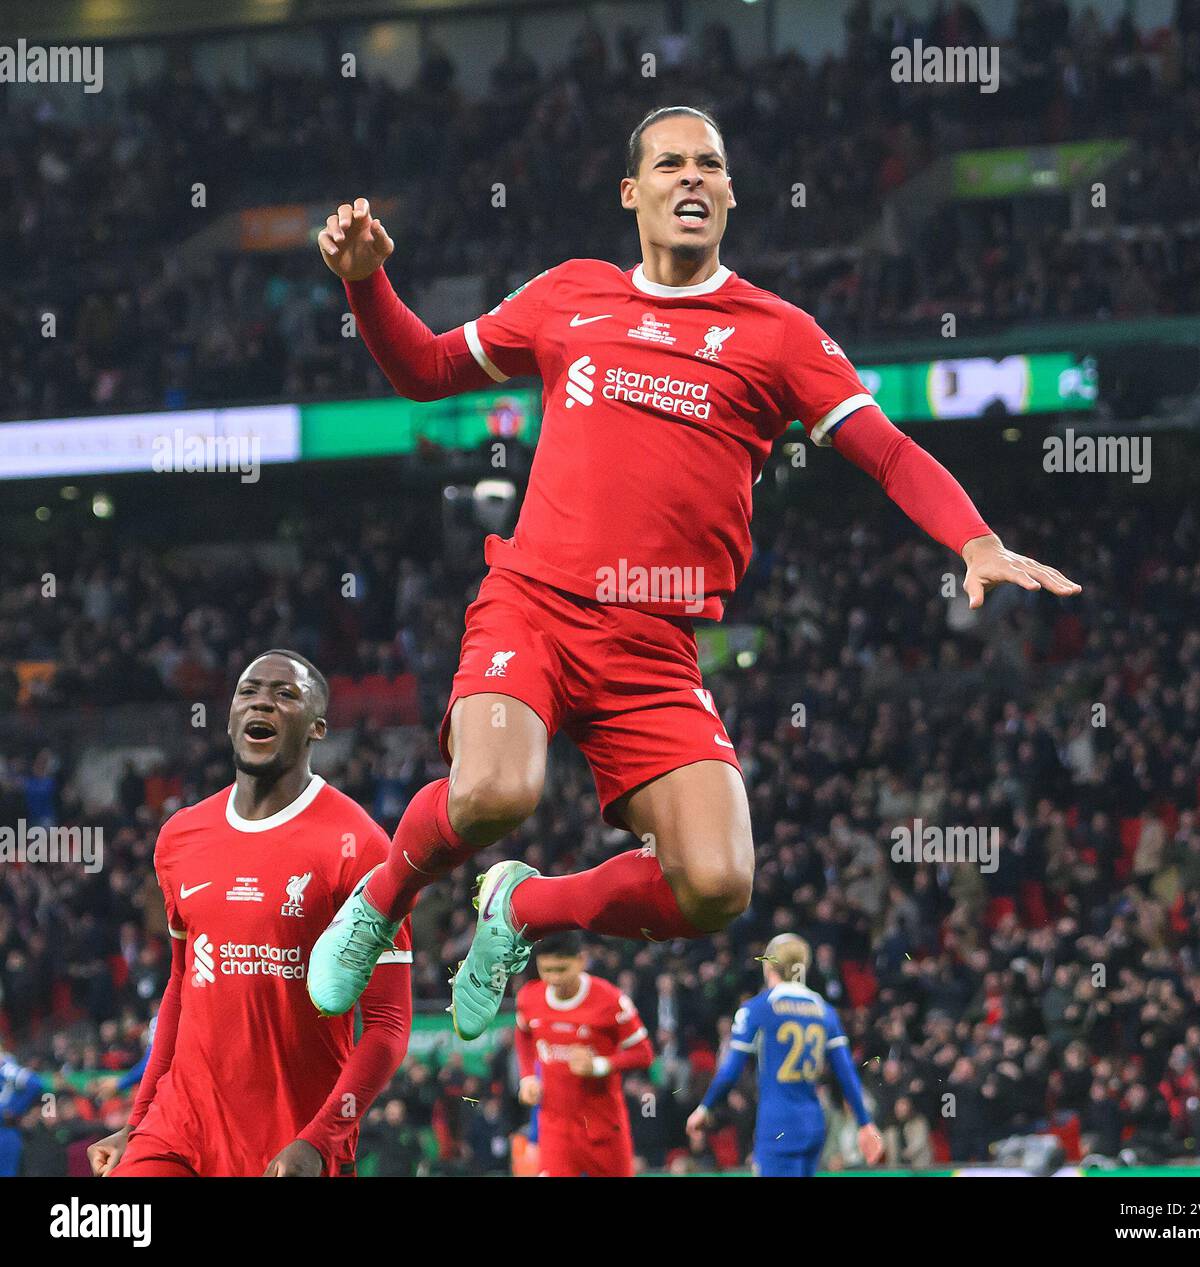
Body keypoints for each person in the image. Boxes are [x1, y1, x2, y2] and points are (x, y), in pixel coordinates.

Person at [307, 105, 1081, 1038]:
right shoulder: (570, 295)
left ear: (728, 194)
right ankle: (383, 897)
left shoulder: (777, 334)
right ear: (632, 193)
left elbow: (888, 451)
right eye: (669, 164)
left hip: (654, 641)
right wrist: (365, 284)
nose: (691, 179)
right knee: (493, 792)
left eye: (708, 166)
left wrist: (976, 541)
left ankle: (523, 909)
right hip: (536, 607)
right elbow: (426, 368)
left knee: (716, 885)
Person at [86, 650, 412, 1177]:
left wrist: (321, 1139)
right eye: (249, 690)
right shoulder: (180, 837)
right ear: (232, 715)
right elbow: (180, 984)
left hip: (290, 1140)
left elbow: (388, 1024)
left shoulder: (362, 847)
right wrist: (137, 1123)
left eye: (286, 694)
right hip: (180, 1126)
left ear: (317, 728)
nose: (263, 700)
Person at [687, 934, 884, 1176]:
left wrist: (705, 1107)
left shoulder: (757, 1009)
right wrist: (865, 1123)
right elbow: (845, 1073)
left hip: (778, 1124)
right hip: (813, 1122)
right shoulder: (825, 1010)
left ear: (768, 965)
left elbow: (730, 1071)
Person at [514, 933, 653, 1176]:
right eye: (546, 970)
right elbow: (523, 1034)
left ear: (581, 960)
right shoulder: (529, 998)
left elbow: (643, 1054)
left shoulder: (609, 1000)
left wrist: (600, 1065)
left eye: (561, 969)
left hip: (602, 1127)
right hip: (556, 1130)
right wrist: (527, 1077)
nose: (554, 978)